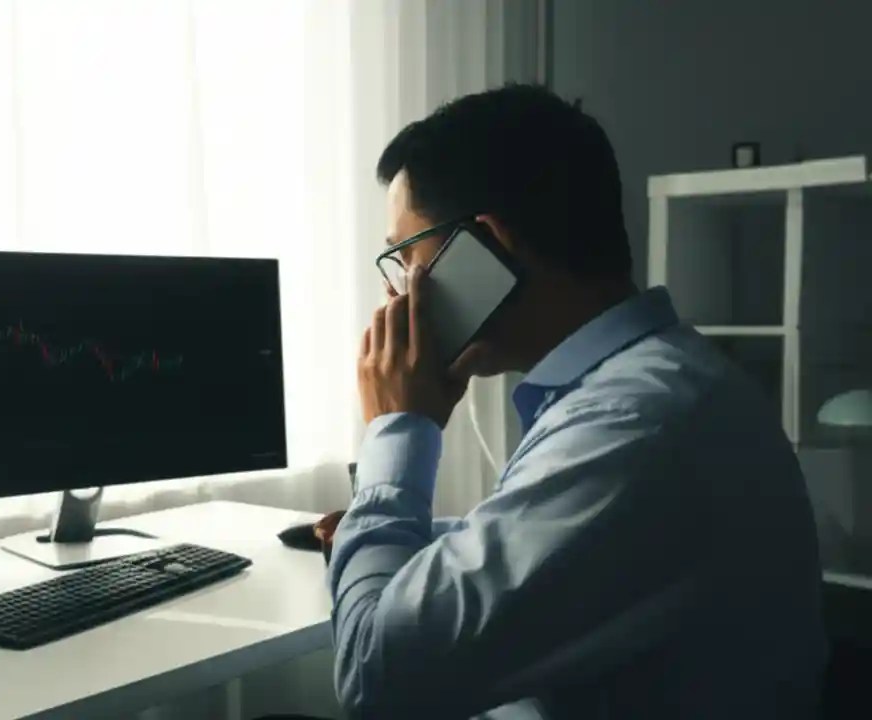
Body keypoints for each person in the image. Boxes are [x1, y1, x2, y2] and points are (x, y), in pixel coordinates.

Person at [322, 85, 826, 718]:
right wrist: (405, 535)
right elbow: (569, 551)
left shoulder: (630, 424)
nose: (398, 297)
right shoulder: (664, 383)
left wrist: (399, 427)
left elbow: (375, 679)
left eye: (407, 258)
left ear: (488, 247)